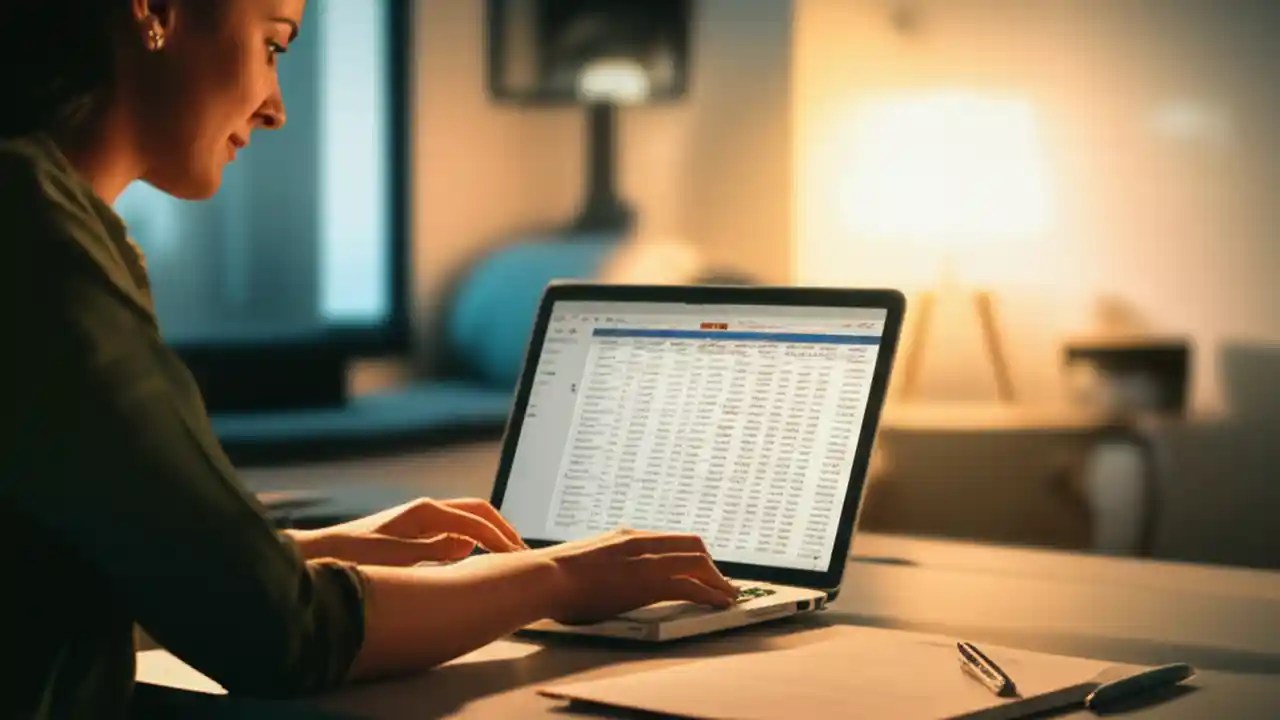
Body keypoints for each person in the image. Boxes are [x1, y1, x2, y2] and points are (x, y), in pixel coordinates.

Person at [0, 1, 736, 716]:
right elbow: (281, 636)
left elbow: (68, 570)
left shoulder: (51, 219)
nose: (274, 108)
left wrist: (294, 552)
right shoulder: (38, 244)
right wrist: (559, 577)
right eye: (274, 45)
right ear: (153, 9)